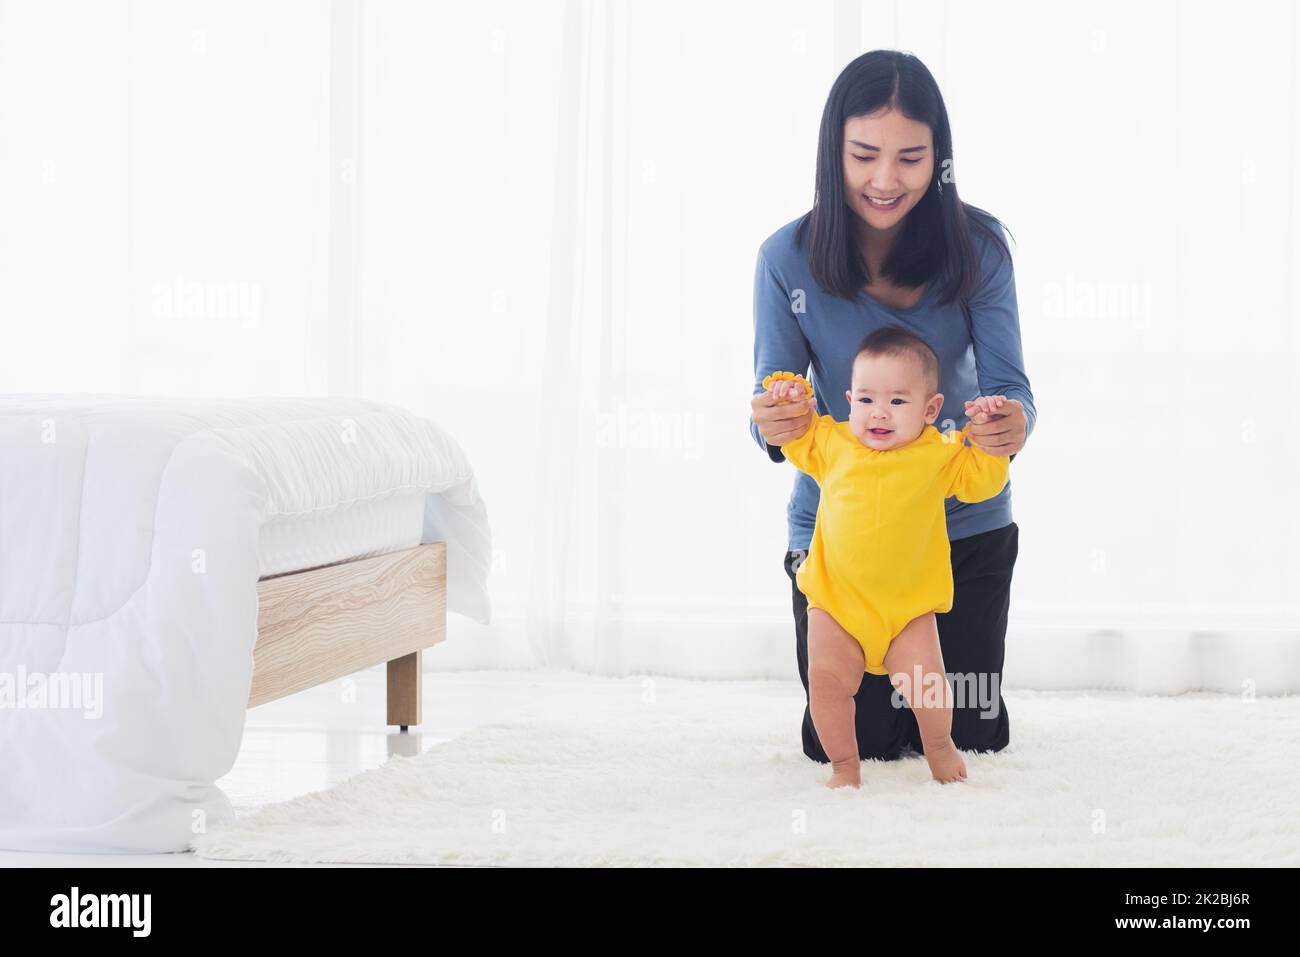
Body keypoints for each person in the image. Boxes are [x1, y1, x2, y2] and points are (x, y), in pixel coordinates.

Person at [749, 49, 1036, 766]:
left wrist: (1009, 425)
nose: (885, 180)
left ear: (939, 158)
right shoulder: (786, 259)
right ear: (833, 151)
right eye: (864, 155)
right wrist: (773, 417)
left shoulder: (979, 250)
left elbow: (1014, 388)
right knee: (852, 742)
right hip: (840, 545)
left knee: (968, 731)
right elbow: (775, 404)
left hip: (960, 535)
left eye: (911, 158)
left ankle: (933, 701)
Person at [763, 327, 1010, 787]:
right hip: (836, 605)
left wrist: (987, 434)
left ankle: (938, 746)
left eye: (898, 402)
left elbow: (983, 481)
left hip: (907, 610)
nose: (880, 413)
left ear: (931, 410)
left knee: (927, 685)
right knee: (827, 682)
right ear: (849, 400)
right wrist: (786, 394)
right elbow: (790, 431)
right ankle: (844, 766)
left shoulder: (937, 453)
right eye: (866, 400)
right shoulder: (829, 443)